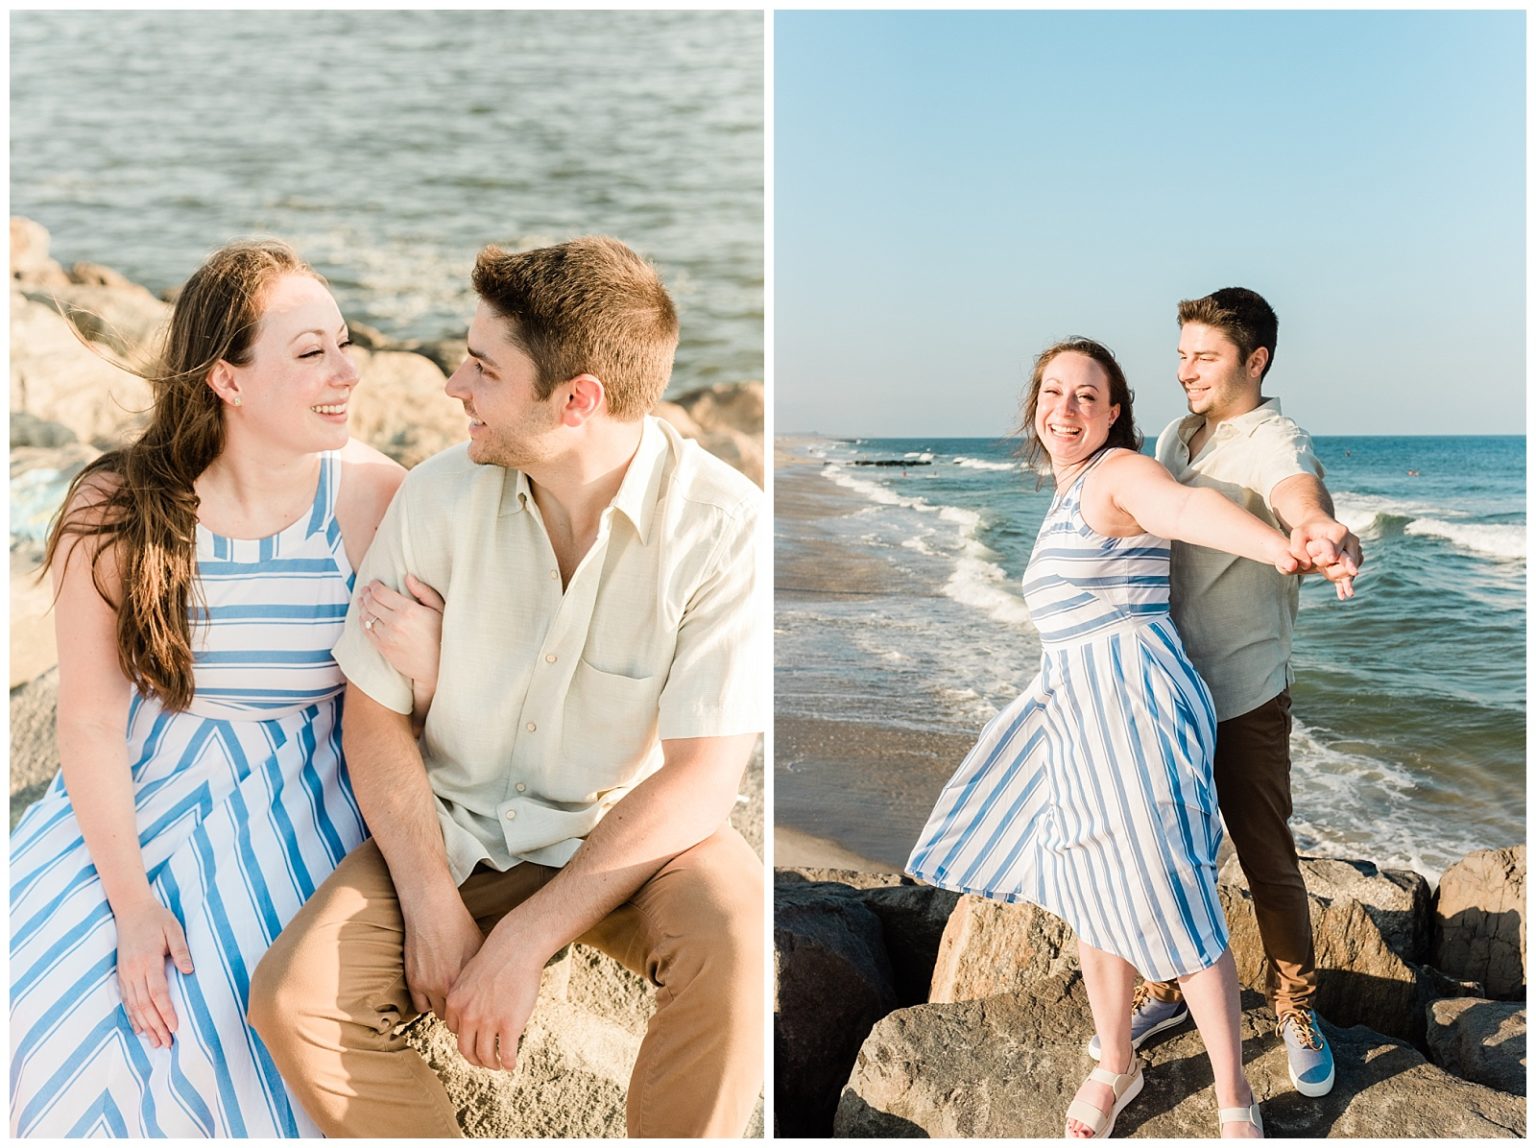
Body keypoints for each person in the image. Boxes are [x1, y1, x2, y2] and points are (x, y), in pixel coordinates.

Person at [247, 235, 767, 1138]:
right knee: (295, 999)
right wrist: (430, 904)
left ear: (578, 401)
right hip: (454, 828)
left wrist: (524, 942)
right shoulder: (440, 496)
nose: (453, 386)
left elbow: (701, 779)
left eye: (483, 369)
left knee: (736, 937)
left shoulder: (722, 528)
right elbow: (371, 713)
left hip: (623, 843)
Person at [8, 241, 418, 1136]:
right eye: (310, 353)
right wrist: (132, 902)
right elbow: (85, 723)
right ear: (227, 380)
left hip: (304, 793)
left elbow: (432, 701)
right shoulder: (114, 508)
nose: (348, 372)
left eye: (343, 344)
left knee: (221, 1021)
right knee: (48, 998)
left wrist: (425, 653)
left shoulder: (374, 498)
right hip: (139, 784)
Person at [907, 337, 1319, 1138]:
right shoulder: (1066, 492)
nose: (1066, 409)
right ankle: (1117, 1066)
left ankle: (1235, 1096)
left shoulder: (1121, 474)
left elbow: (1187, 510)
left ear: (1115, 412)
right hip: (1076, 713)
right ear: (1035, 406)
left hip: (1134, 707)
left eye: (1086, 396)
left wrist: (1281, 546)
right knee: (1094, 895)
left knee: (1176, 891)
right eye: (1053, 393)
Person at [1114, 288, 1362, 1100]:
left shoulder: (1273, 437)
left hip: (1246, 691)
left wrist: (1317, 528)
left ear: (1255, 361)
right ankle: (1164, 987)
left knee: (1265, 857)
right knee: (1166, 853)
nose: (1185, 370)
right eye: (1182, 353)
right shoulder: (1176, 434)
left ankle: (1296, 1008)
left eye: (1205, 357)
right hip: (1167, 688)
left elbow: (1296, 490)